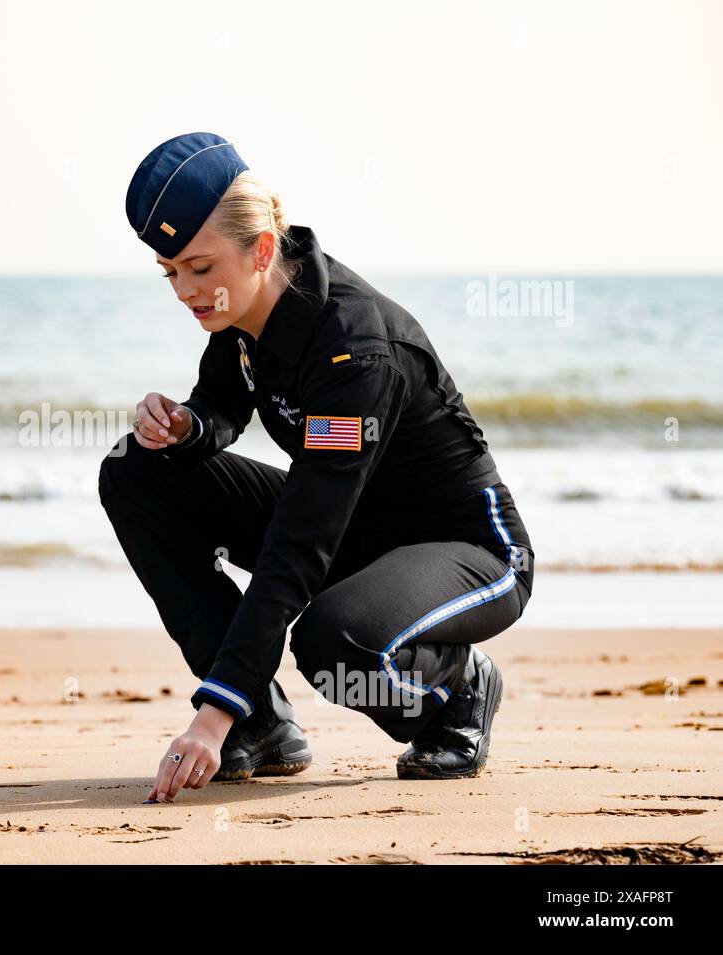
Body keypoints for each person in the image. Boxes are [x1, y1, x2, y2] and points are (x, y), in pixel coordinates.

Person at [99, 132, 535, 804]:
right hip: (353, 529)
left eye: (200, 267)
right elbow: (222, 403)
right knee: (135, 469)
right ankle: (259, 722)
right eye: (171, 272)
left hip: (470, 550)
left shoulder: (354, 354)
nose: (186, 291)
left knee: (334, 643)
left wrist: (207, 716)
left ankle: (457, 688)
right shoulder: (241, 309)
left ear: (262, 249)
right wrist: (187, 427)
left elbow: (297, 547)